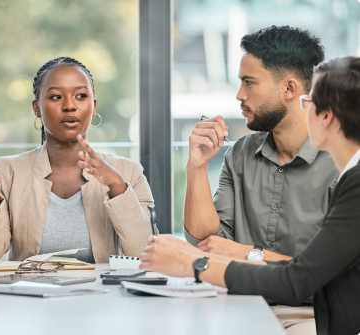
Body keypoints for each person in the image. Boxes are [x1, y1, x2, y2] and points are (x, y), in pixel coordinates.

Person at [141, 56, 360, 335]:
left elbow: (298, 279)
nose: (304, 113)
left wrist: (192, 263)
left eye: (309, 104)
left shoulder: (355, 184)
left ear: (326, 117)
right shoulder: (351, 178)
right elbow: (212, 240)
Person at [183, 26, 339, 332]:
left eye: (249, 82)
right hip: (238, 304)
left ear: (290, 89)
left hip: (312, 315)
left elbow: (332, 278)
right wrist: (197, 166)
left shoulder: (342, 163)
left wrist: (248, 255)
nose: (239, 95)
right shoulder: (240, 153)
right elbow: (207, 240)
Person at [0, 57, 154, 263]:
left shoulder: (128, 172)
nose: (69, 106)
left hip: (102, 294)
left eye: (80, 95)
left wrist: (117, 186)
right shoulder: (6, 170)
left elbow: (145, 256)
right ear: (37, 108)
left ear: (93, 106)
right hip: (29, 292)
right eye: (56, 97)